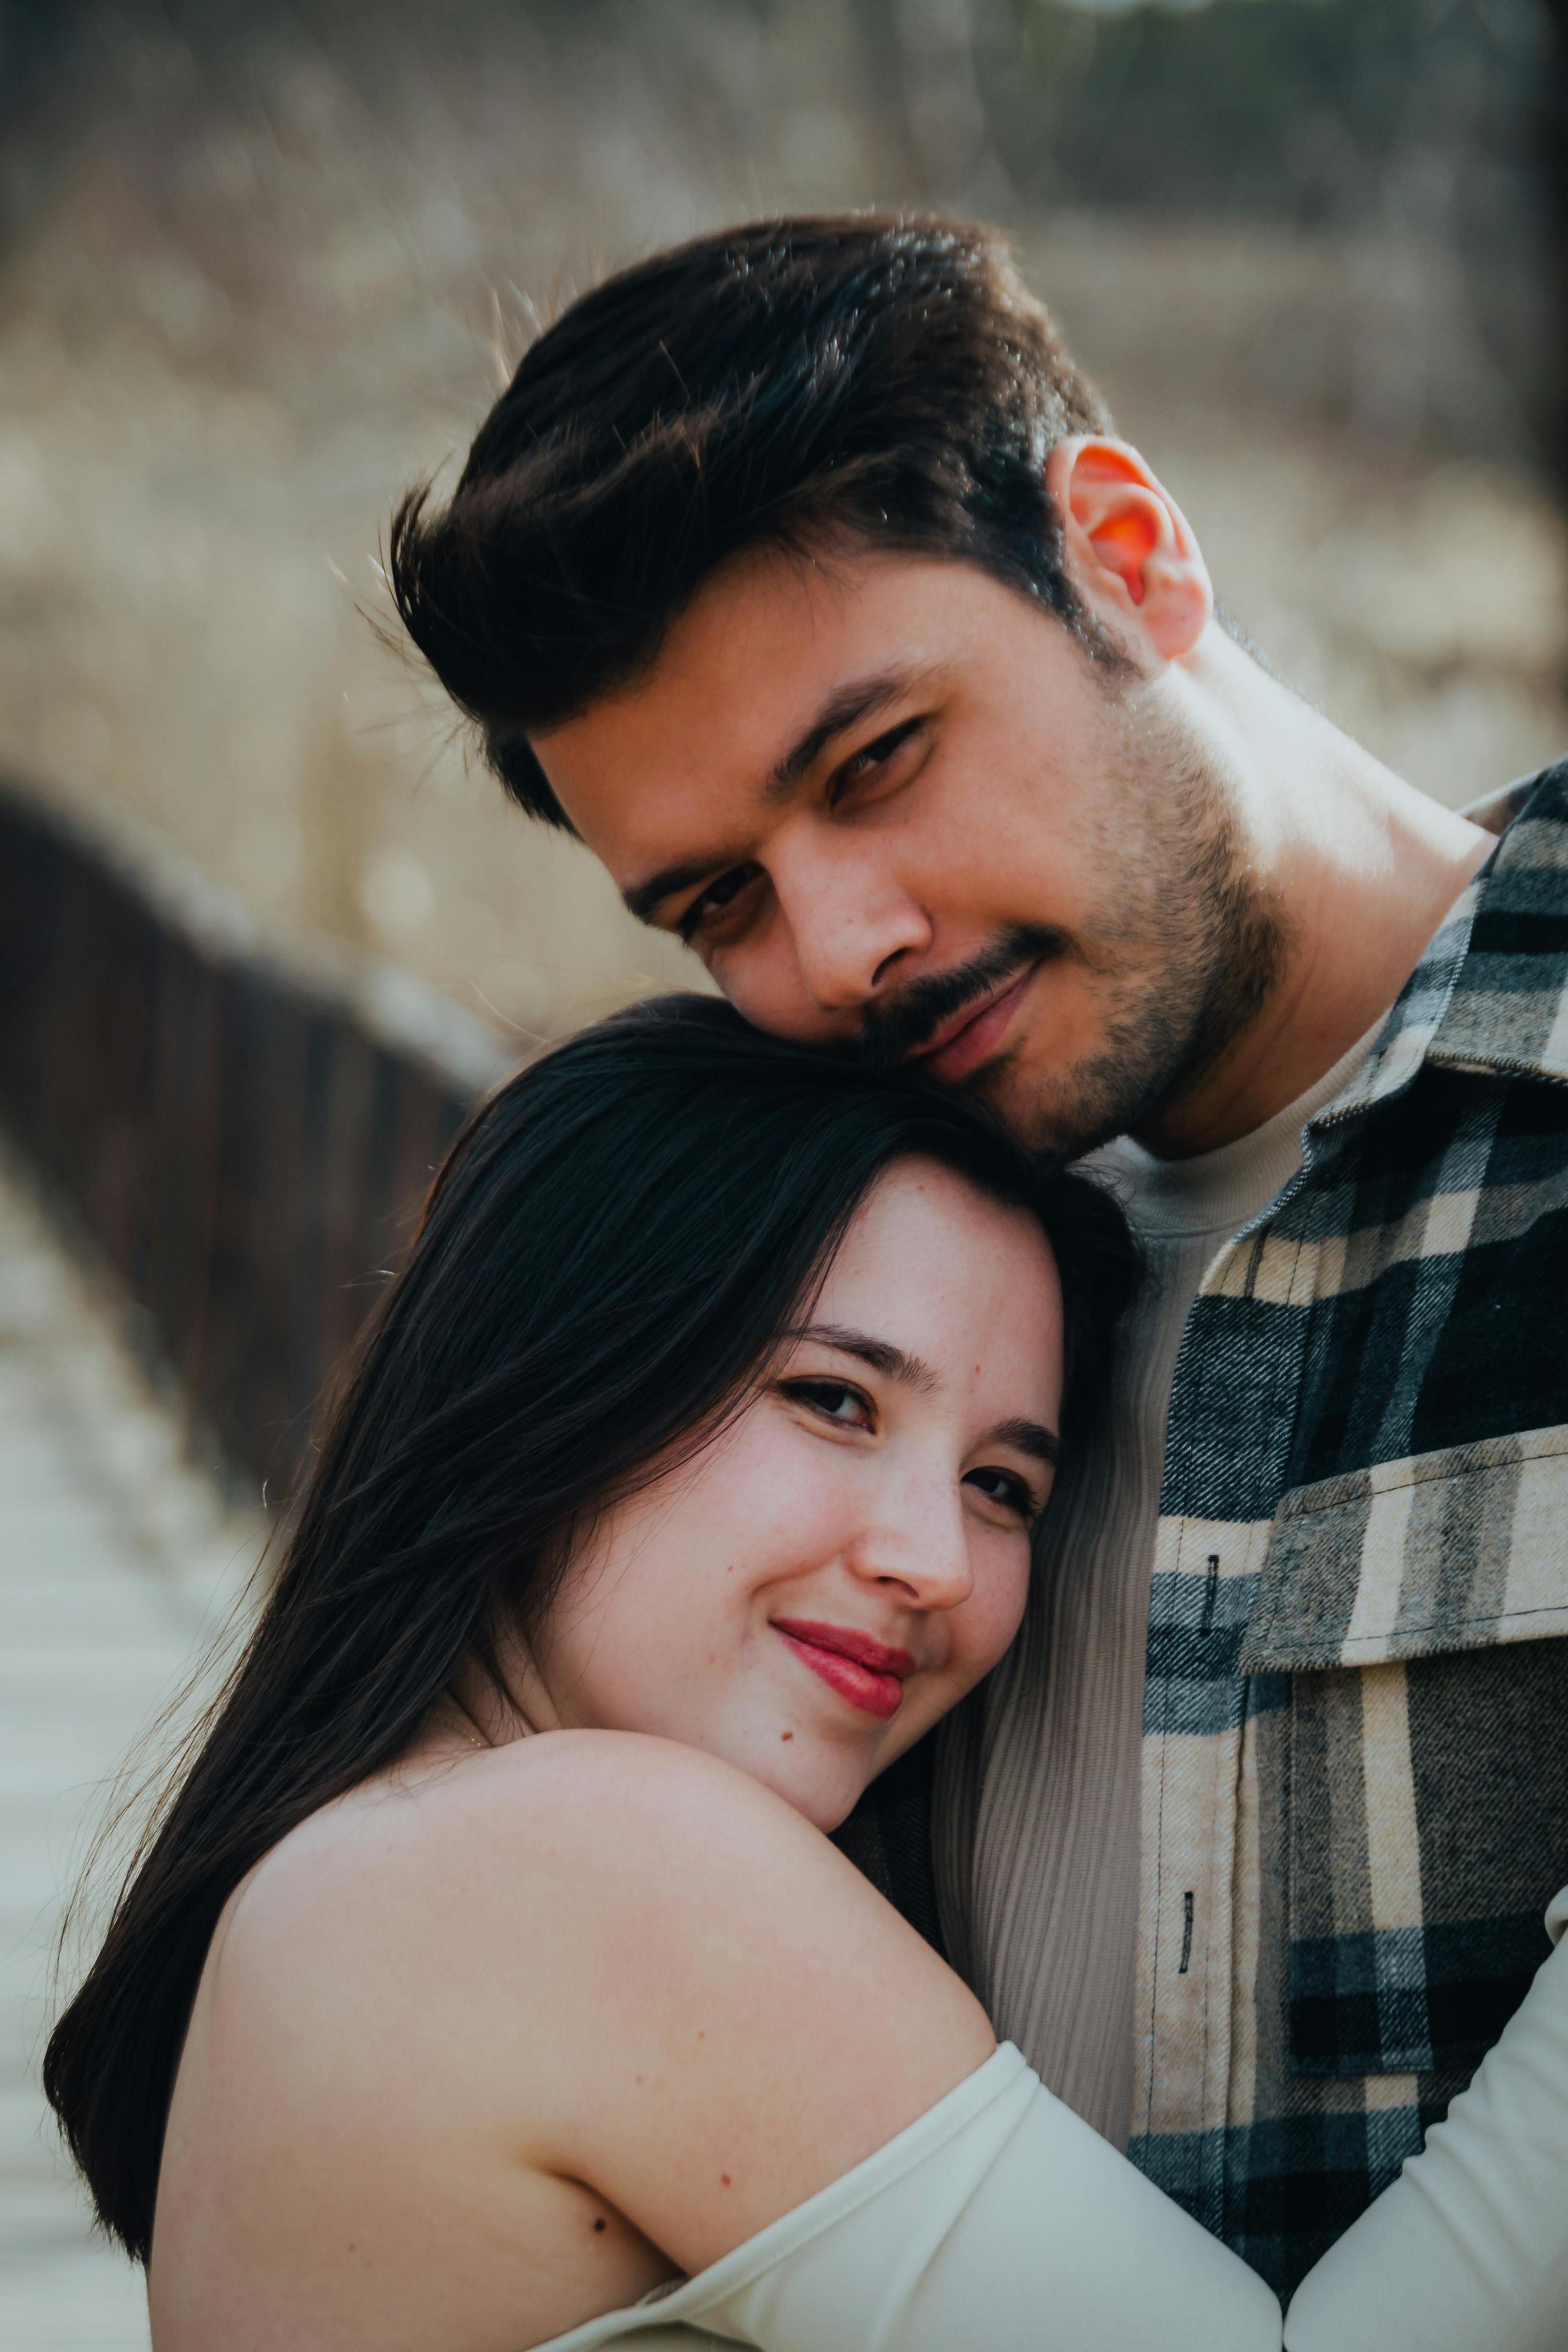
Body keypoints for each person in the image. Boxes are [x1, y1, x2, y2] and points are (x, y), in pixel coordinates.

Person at [386, 213, 1568, 2338]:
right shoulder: (860, 1296)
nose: (836, 948)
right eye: (718, 901)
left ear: (1128, 554)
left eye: (874, 766)